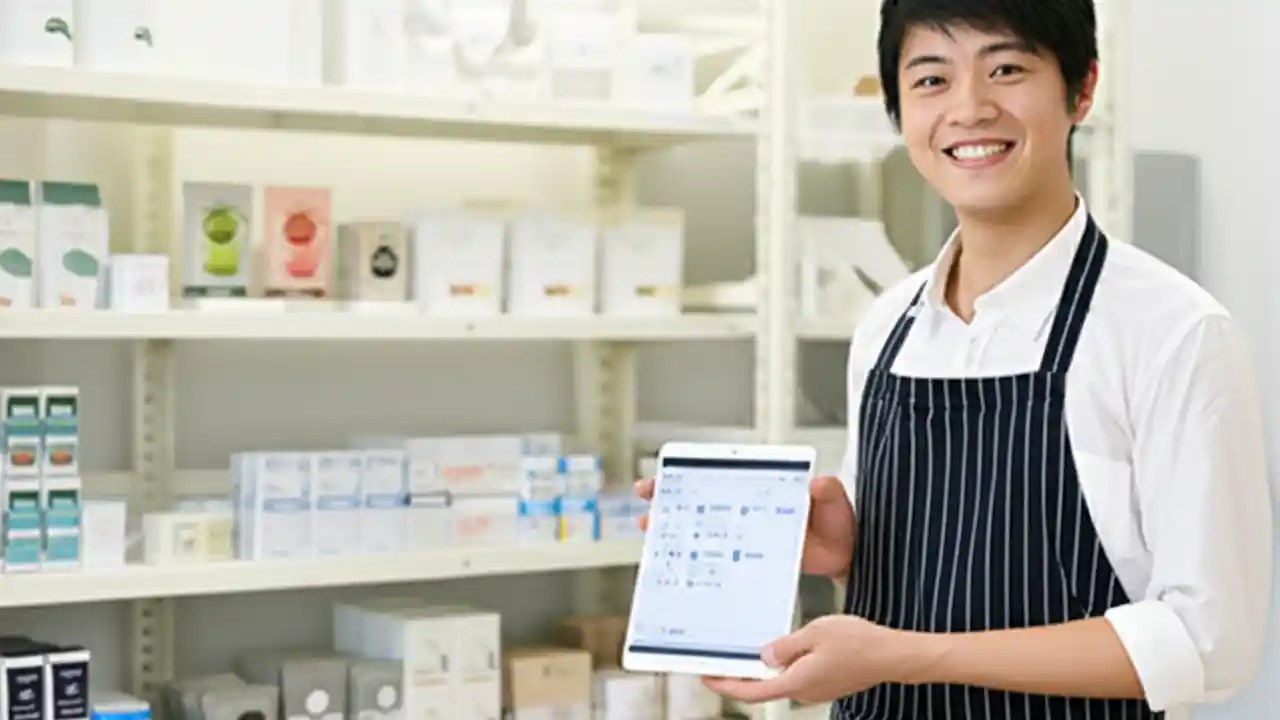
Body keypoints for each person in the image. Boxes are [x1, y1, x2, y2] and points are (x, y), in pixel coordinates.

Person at [634, 0, 1274, 718]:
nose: (969, 109)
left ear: (1082, 88)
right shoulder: (888, 328)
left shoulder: (1171, 334)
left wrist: (910, 655)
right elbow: (937, 575)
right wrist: (848, 549)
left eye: (1006, 69)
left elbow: (1206, 642)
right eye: (932, 80)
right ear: (899, 109)